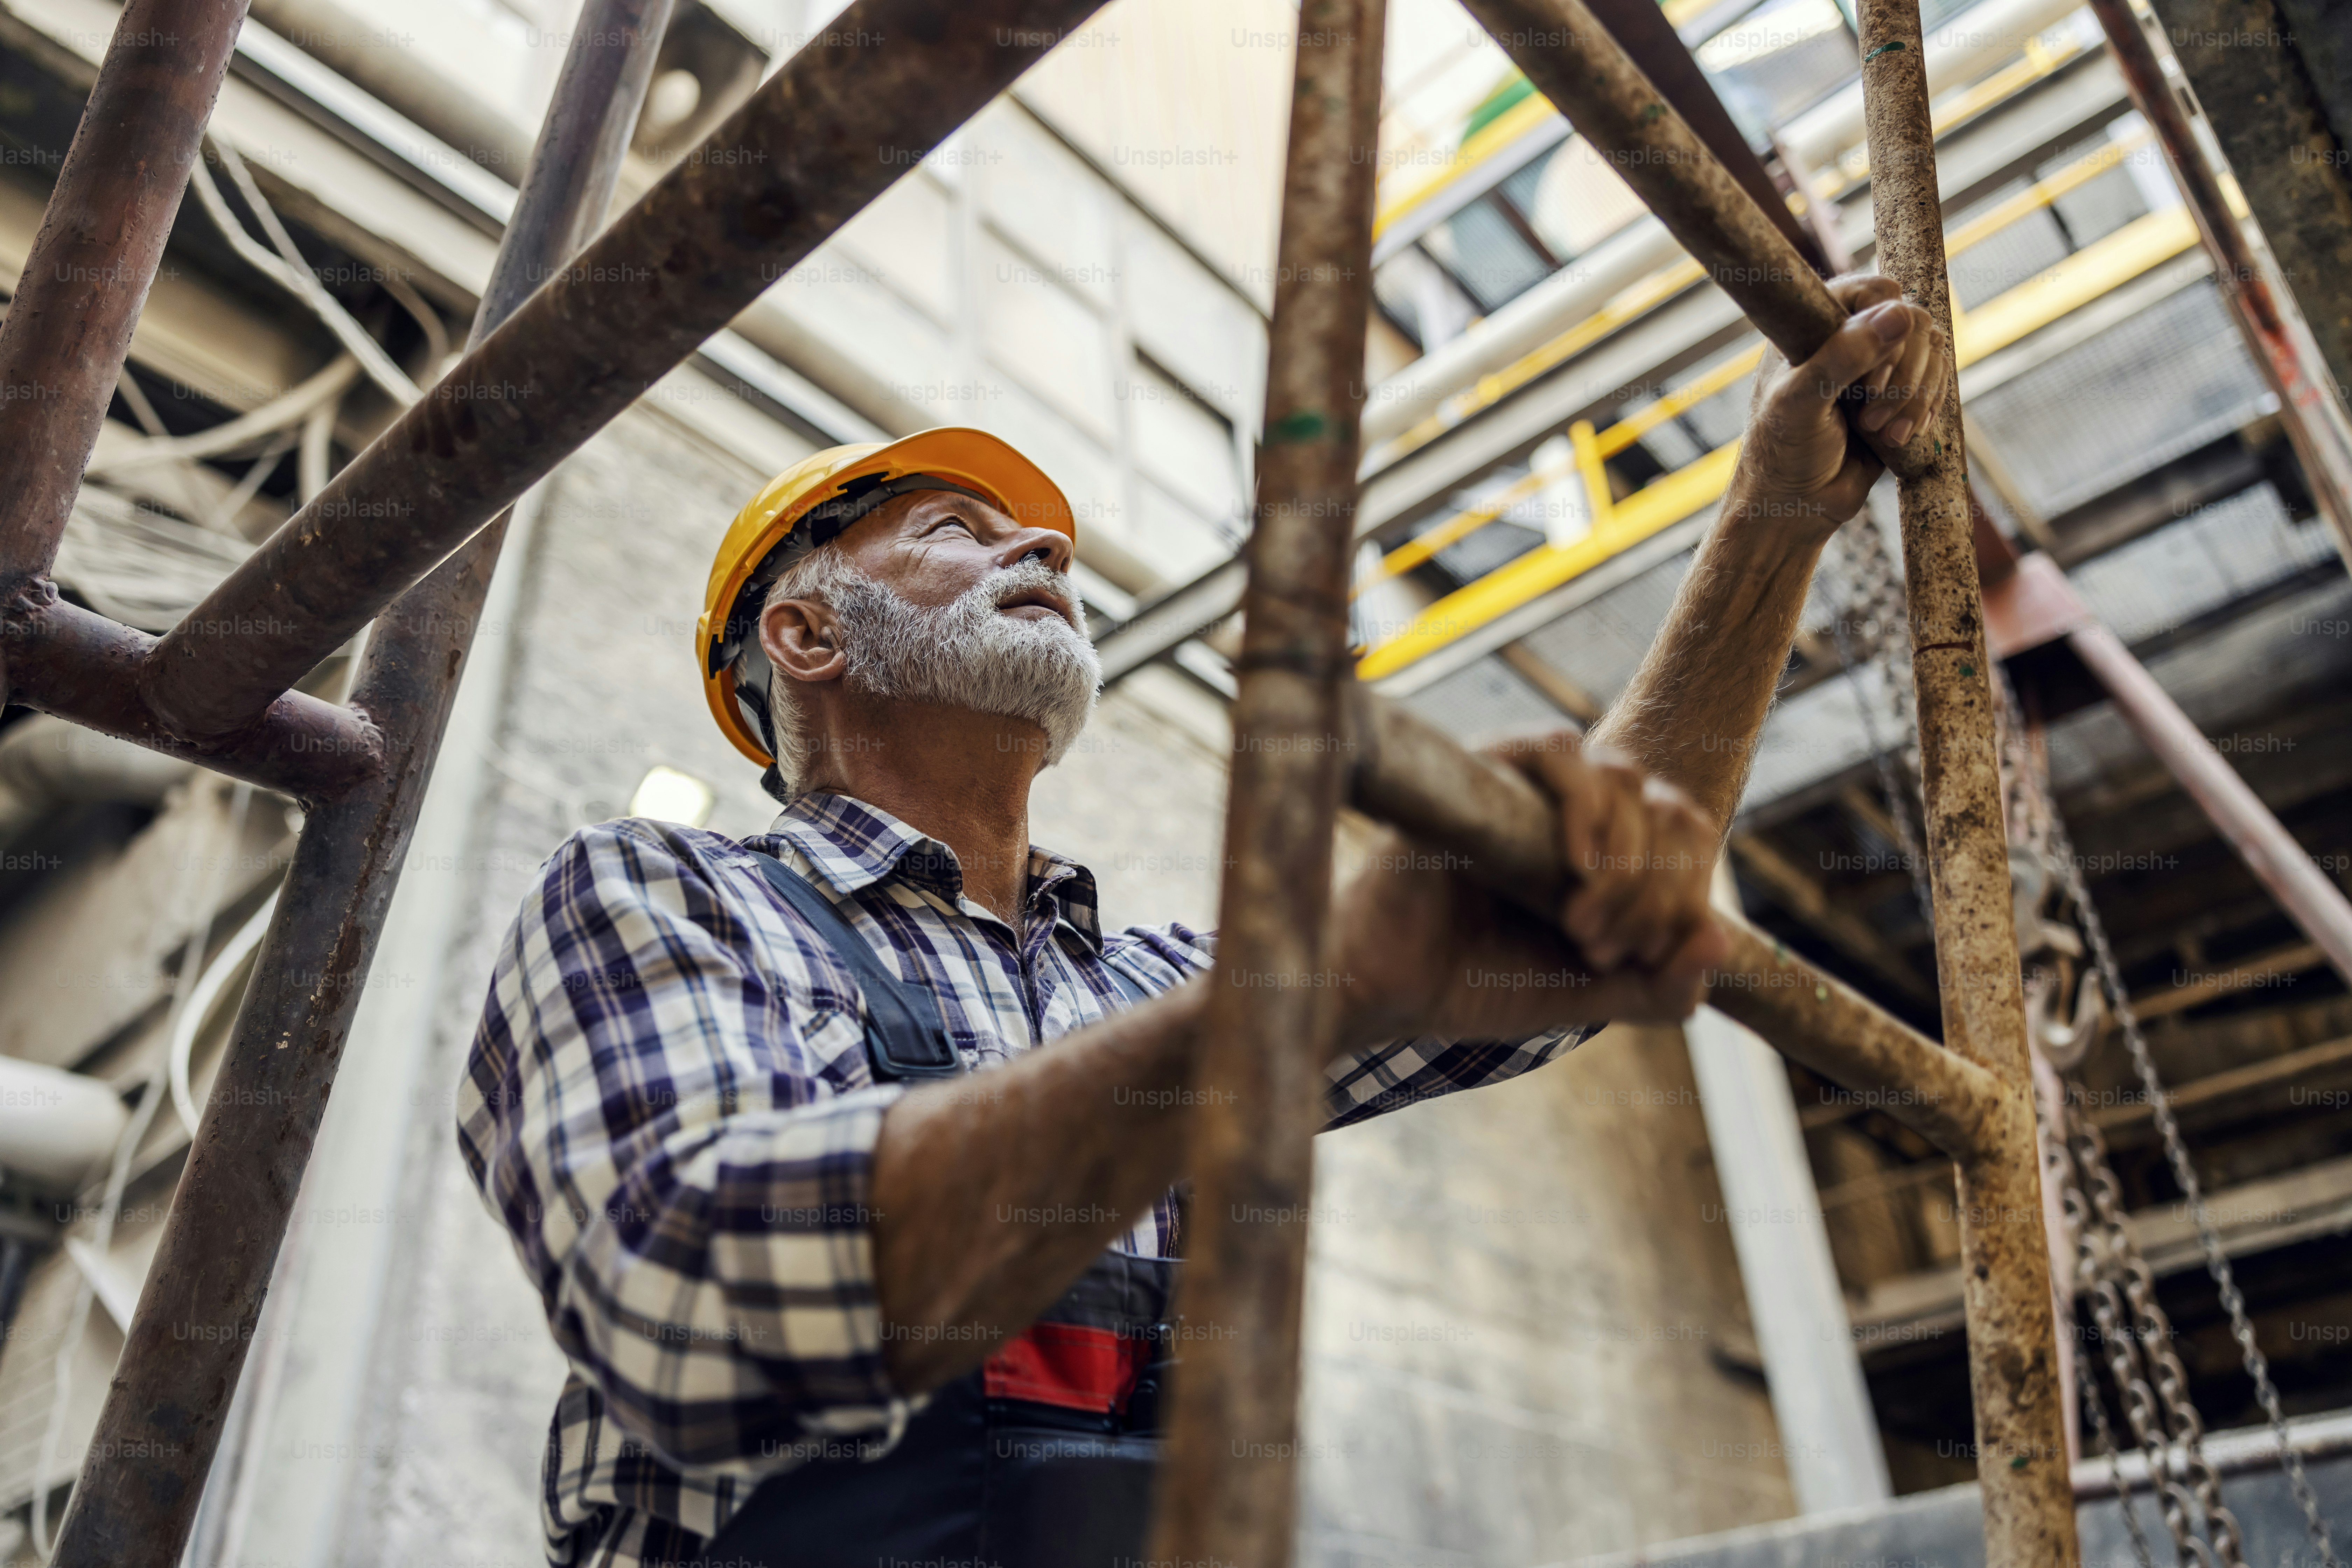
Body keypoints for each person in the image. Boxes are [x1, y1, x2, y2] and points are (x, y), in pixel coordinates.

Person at [458, 274, 1948, 1568]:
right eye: (959, 530)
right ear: (807, 632)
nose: (1044, 553)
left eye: (1042, 540)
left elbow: (1569, 940)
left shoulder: (1153, 982)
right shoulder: (662, 894)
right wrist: (1298, 997)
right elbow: (688, 1284)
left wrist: (1776, 517)